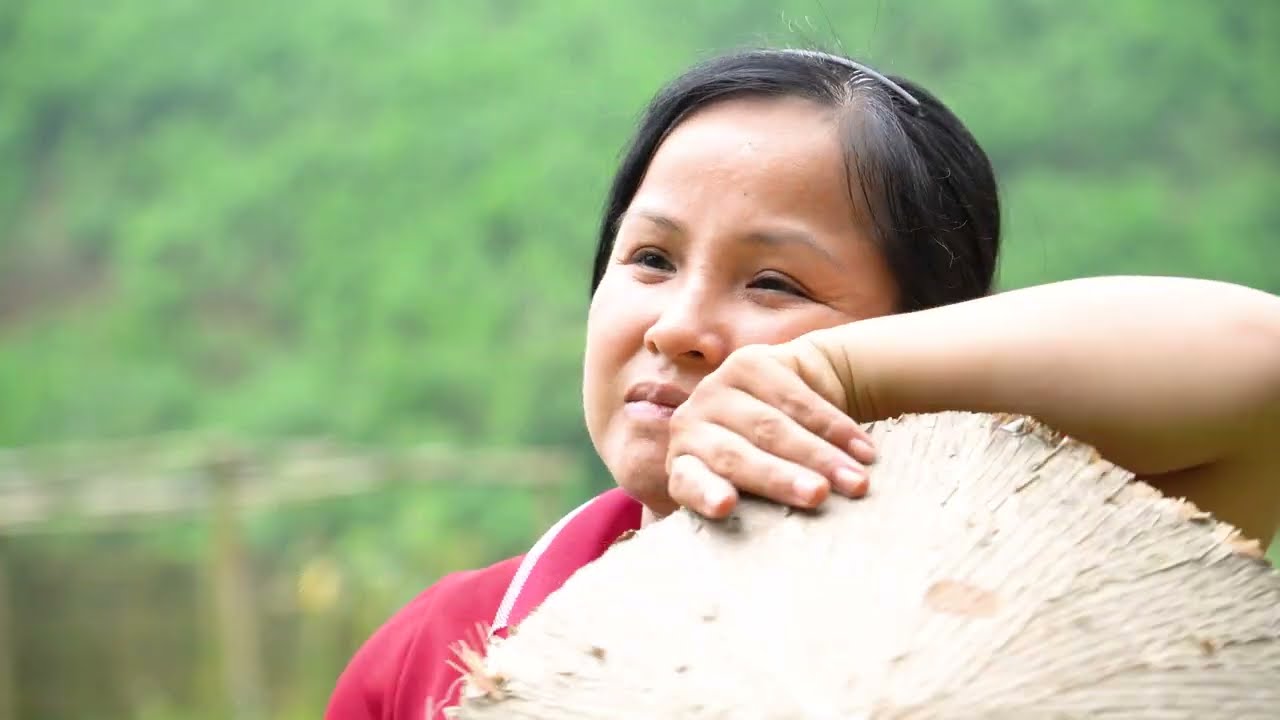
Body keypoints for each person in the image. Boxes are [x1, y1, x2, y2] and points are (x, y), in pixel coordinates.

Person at [325, 48, 1280, 719]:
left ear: (929, 331)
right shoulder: (437, 650)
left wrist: (834, 376)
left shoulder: (1039, 582)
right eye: (650, 258)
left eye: (774, 282)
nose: (678, 326)